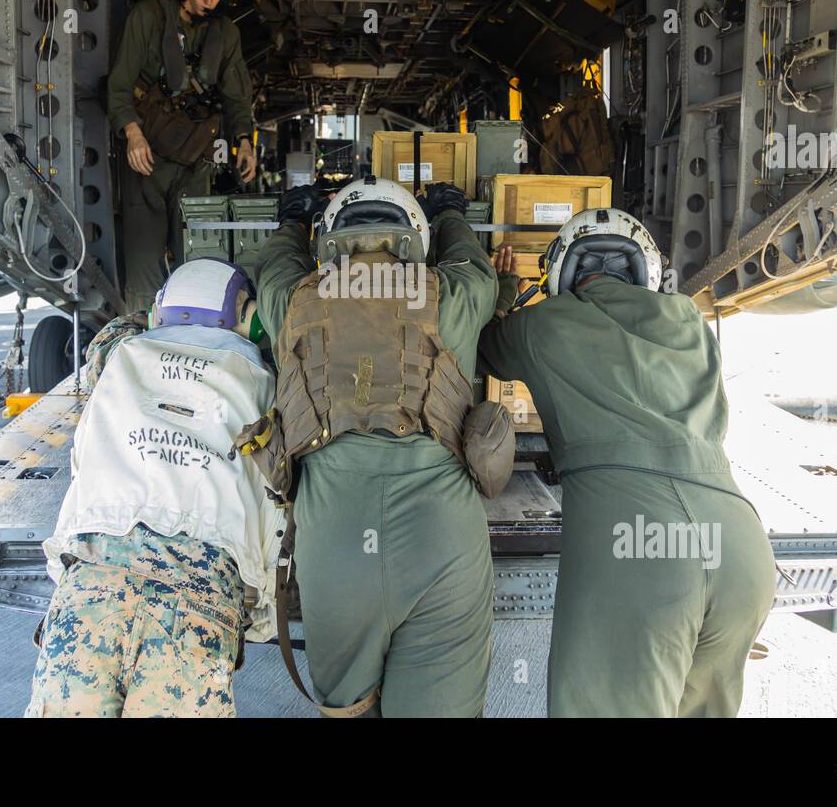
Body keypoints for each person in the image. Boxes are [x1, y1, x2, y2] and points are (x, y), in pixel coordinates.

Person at [479, 209, 777, 717]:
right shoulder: (692, 323)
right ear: (648, 273)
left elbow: (478, 346)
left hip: (641, 553)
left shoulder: (544, 326)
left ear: (561, 274)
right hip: (741, 552)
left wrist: (503, 287)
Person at [245, 177, 502, 717]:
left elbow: (273, 266)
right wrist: (451, 211)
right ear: (413, 238)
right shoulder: (453, 294)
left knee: (347, 709)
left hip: (335, 542)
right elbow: (474, 265)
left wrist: (293, 217)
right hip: (444, 542)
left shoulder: (294, 298)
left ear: (330, 240)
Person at [25, 258, 284, 717]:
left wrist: (152, 319)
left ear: (158, 314)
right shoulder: (268, 383)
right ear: (249, 319)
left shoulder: (117, 359)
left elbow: (114, 332)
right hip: (197, 597)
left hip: (91, 583)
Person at [108, 0, 258, 313]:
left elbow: (236, 95)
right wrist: (133, 133)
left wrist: (244, 139)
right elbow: (119, 85)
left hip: (194, 158)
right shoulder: (148, 17)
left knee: (198, 255)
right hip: (148, 158)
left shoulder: (225, 35)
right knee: (144, 257)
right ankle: (143, 329)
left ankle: (194, 332)